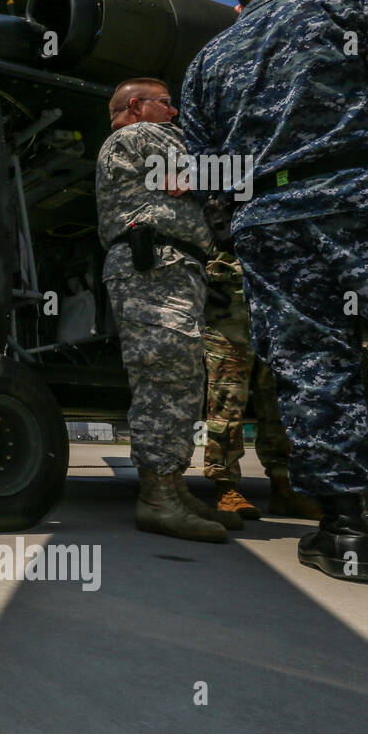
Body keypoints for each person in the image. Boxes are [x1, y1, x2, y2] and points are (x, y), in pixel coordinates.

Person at [180, 0, 368, 585]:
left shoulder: (206, 62)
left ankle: (345, 535)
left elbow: (205, 172)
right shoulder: (354, 0)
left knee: (312, 370)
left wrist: (236, 225)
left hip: (271, 220)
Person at [95, 77, 235, 543]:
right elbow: (234, 174)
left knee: (181, 375)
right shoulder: (136, 136)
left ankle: (172, 485)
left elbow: (206, 177)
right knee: (165, 374)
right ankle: (157, 498)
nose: (175, 114)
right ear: (136, 106)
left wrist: (196, 178)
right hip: (153, 265)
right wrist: (206, 174)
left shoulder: (155, 143)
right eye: (166, 104)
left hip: (172, 268)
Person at [202, 252, 322, 519]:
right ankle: (226, 488)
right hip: (228, 311)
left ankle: (284, 487)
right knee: (227, 399)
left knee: (280, 400)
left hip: (275, 308)